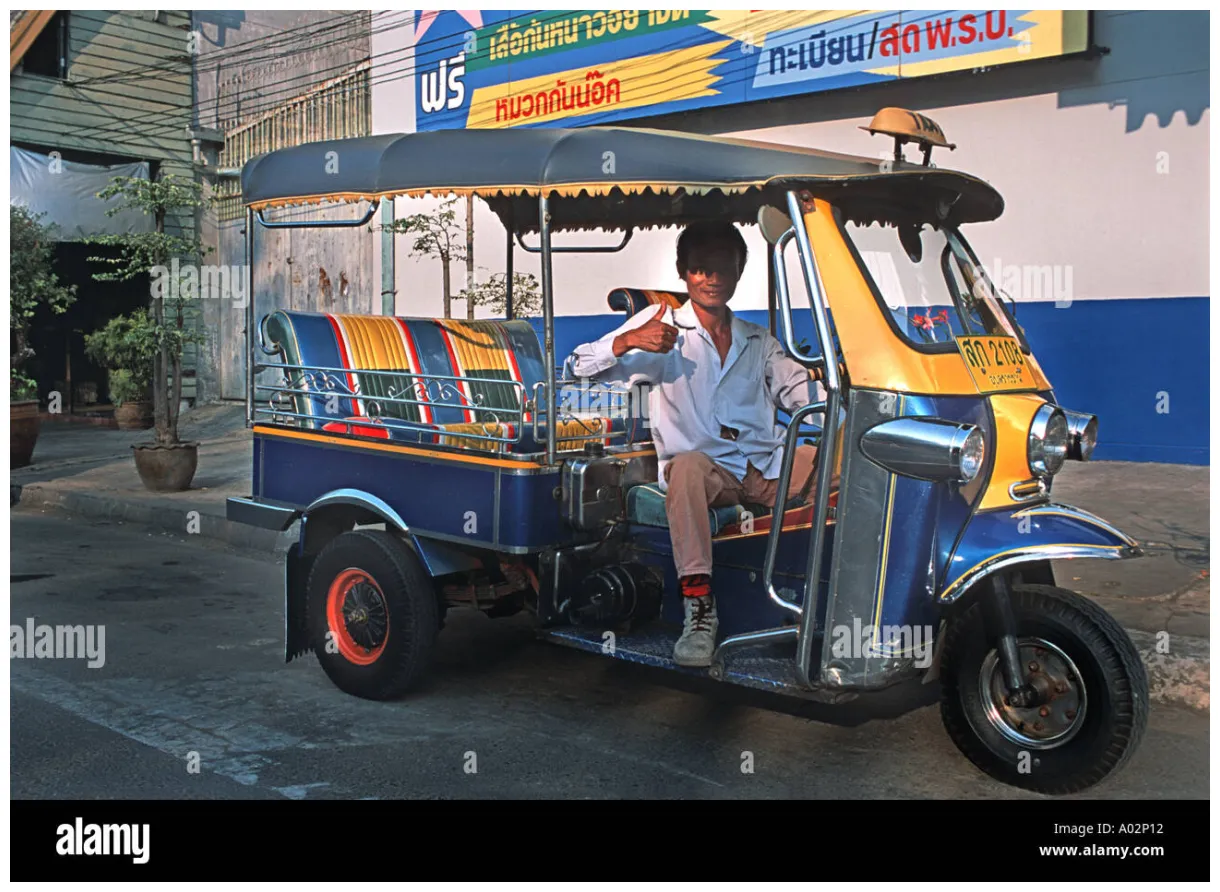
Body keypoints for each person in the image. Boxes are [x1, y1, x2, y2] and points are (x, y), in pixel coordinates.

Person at [566, 221, 824, 667]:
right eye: (701, 268)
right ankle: (699, 612)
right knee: (684, 468)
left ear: (739, 272)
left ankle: (823, 594)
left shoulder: (757, 340)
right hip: (706, 473)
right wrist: (627, 342)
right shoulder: (661, 328)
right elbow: (576, 369)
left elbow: (804, 395)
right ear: (685, 272)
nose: (713, 278)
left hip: (766, 466)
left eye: (723, 267)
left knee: (858, 460)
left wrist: (847, 387)